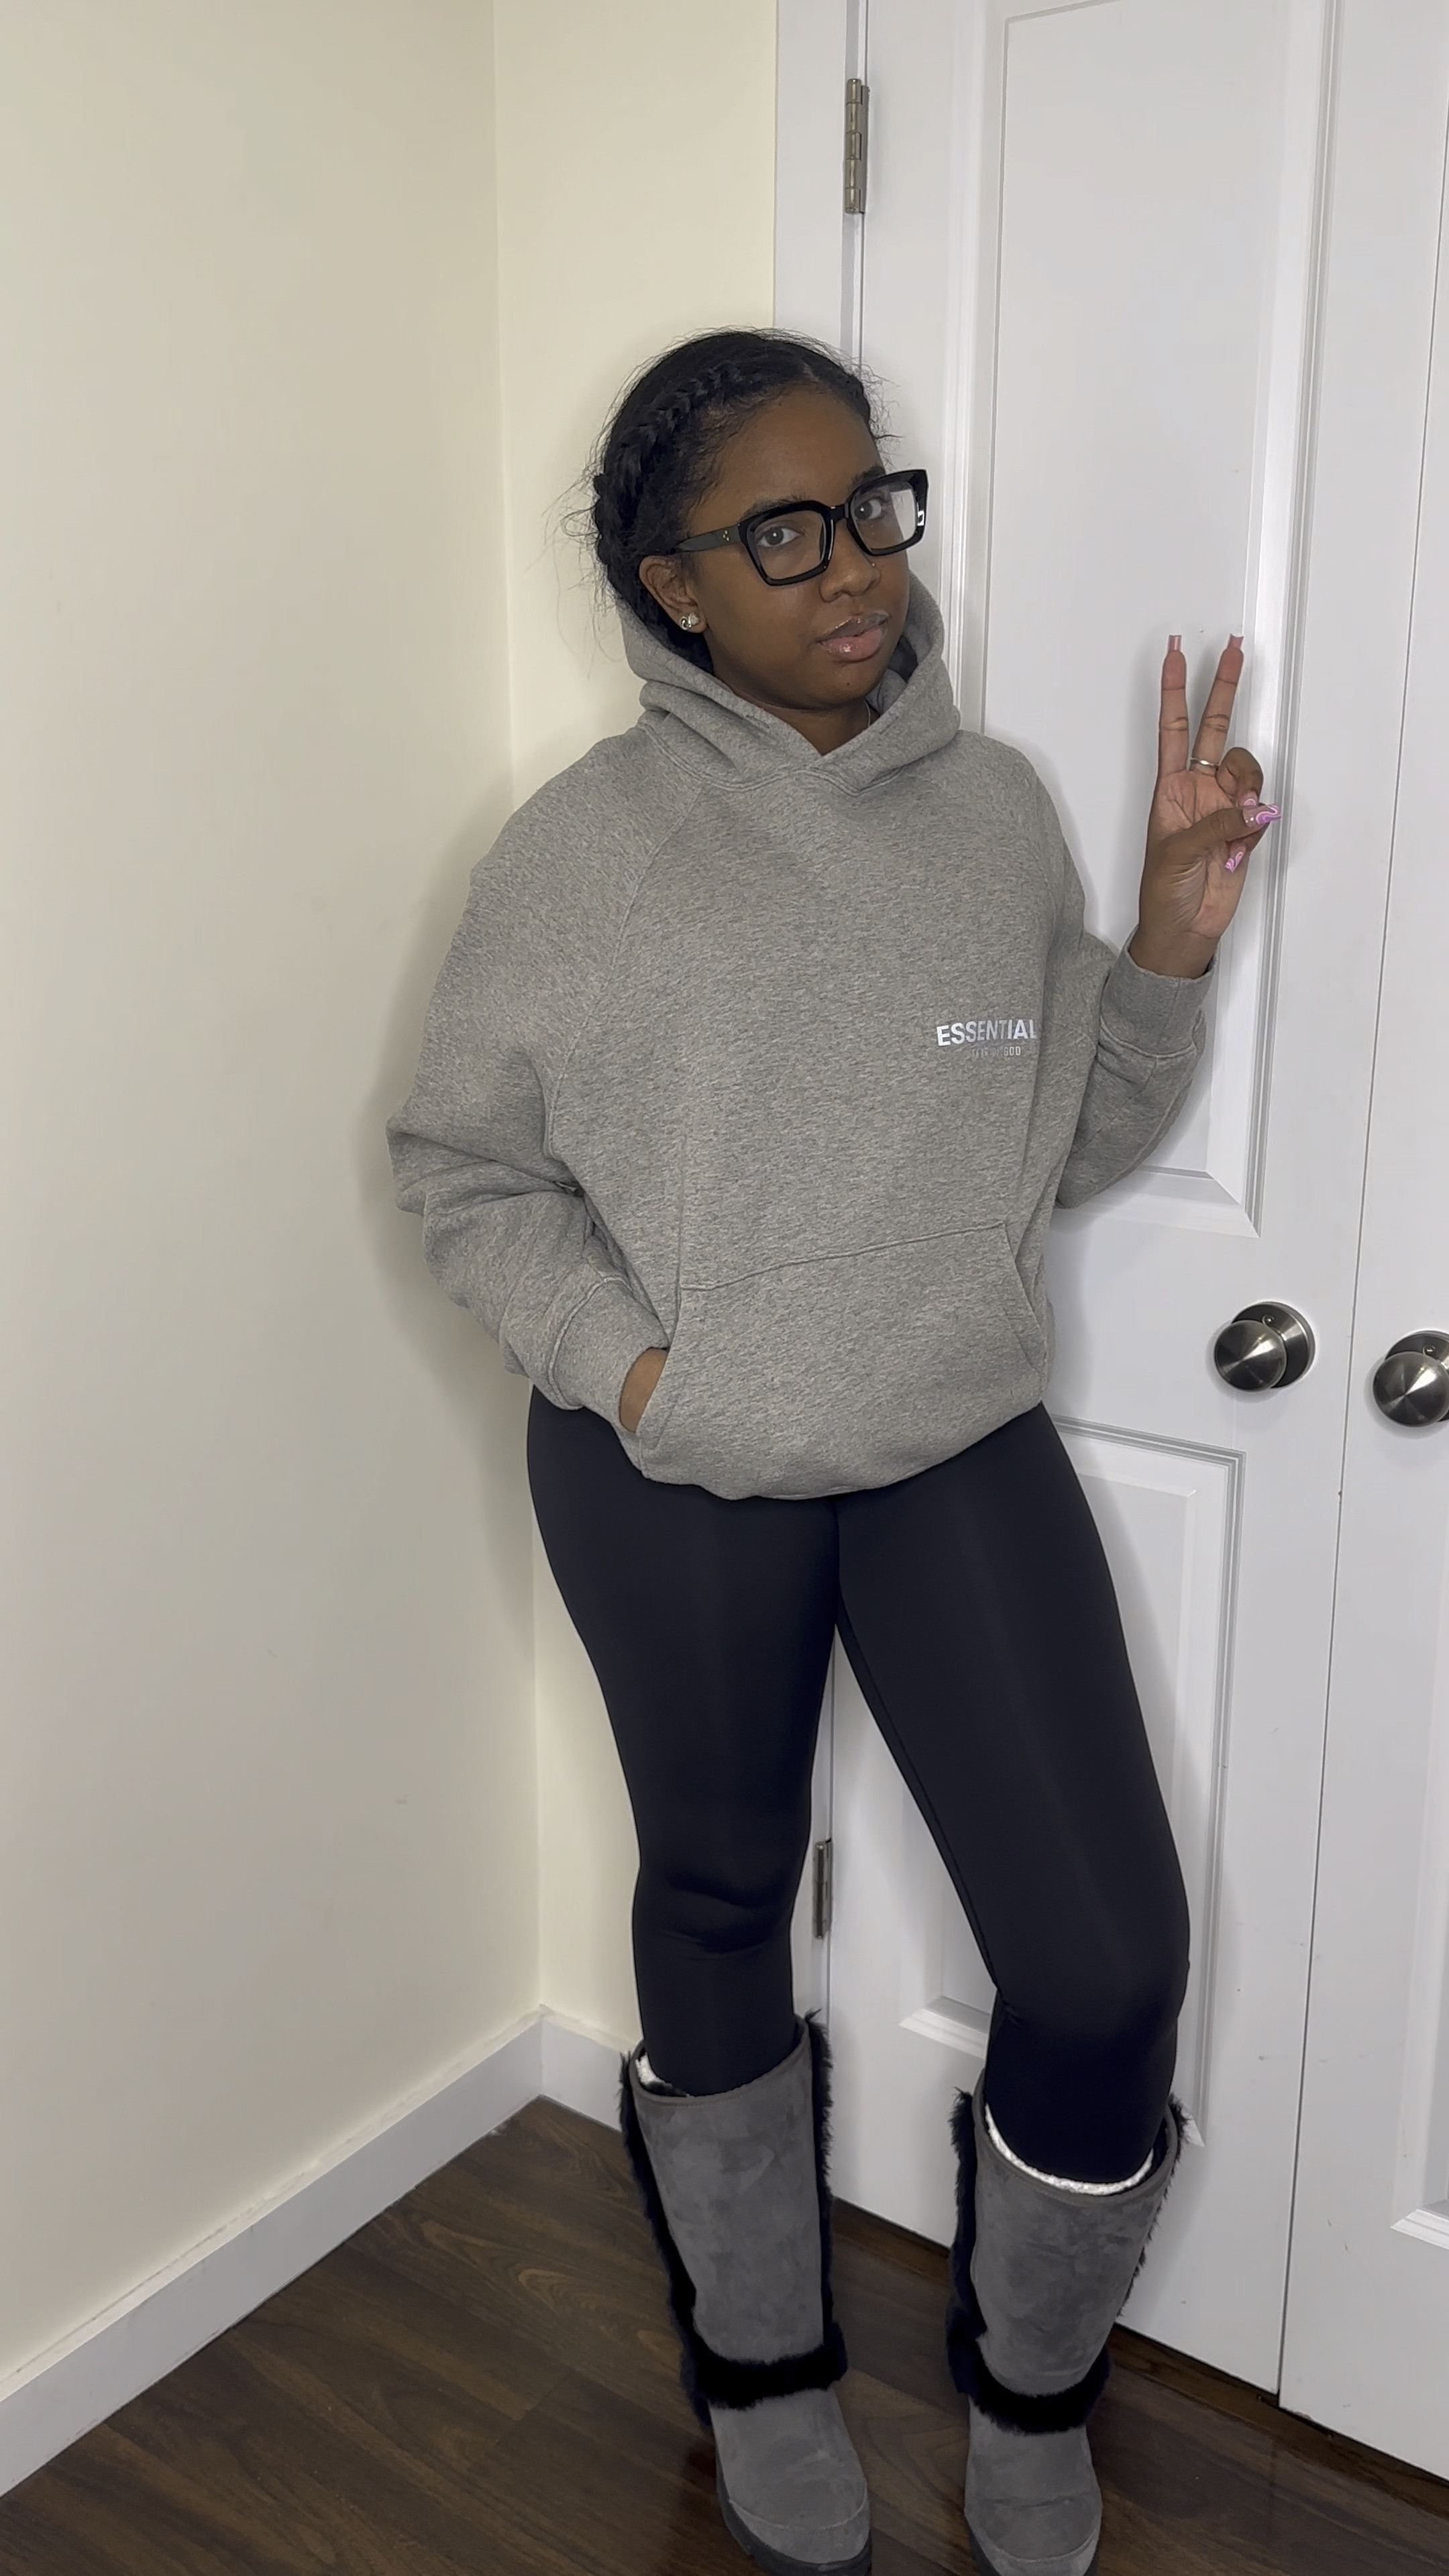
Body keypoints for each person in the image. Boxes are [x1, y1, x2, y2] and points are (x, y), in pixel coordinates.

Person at [388, 329, 1274, 2576]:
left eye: (872, 505)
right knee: (716, 1895)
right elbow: (465, 1174)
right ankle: (761, 2367)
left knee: (1104, 1964)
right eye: (783, 533)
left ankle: (1032, 2390)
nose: (857, 565)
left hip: (948, 1436)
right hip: (674, 1464)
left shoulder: (994, 816)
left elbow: (1057, 1147)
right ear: (673, 586)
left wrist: (1172, 938)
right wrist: (644, 1378)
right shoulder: (578, 859)